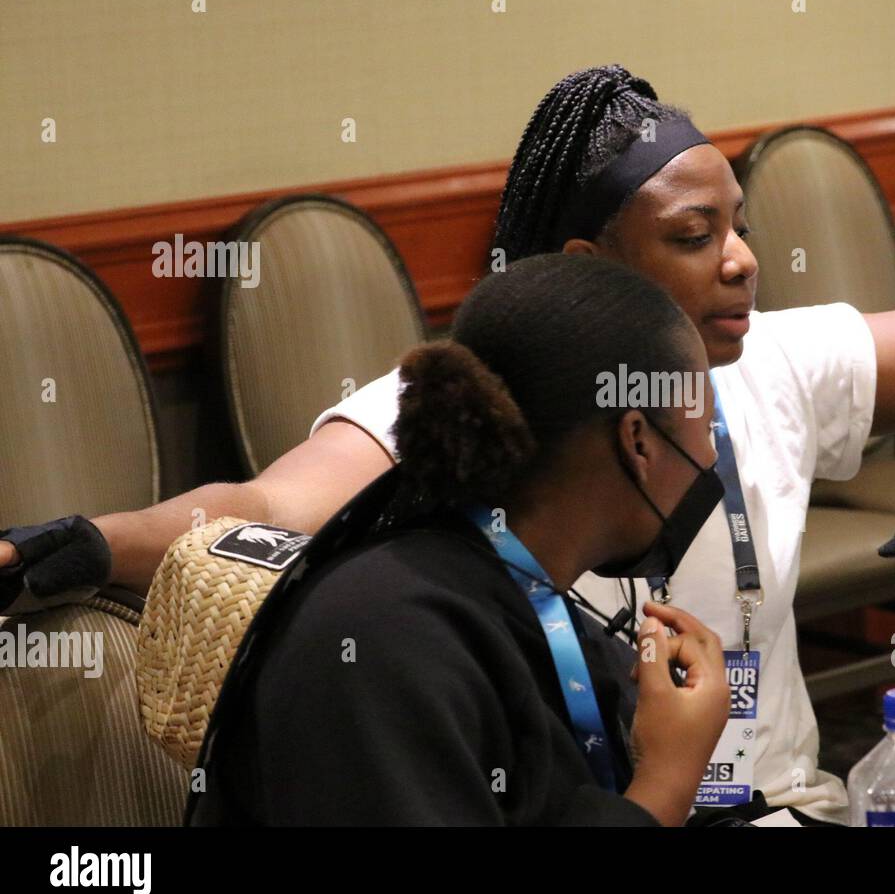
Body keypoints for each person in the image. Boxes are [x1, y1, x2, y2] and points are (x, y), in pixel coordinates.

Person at [2, 64, 895, 824]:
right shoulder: (475, 413)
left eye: (739, 222)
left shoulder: (764, 358)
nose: (741, 262)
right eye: (695, 236)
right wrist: (91, 540)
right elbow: (265, 510)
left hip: (782, 798)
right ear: (585, 263)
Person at [188, 254, 730, 825]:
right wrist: (668, 780)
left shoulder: (529, 595)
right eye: (704, 426)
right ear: (638, 441)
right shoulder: (384, 638)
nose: (711, 454)